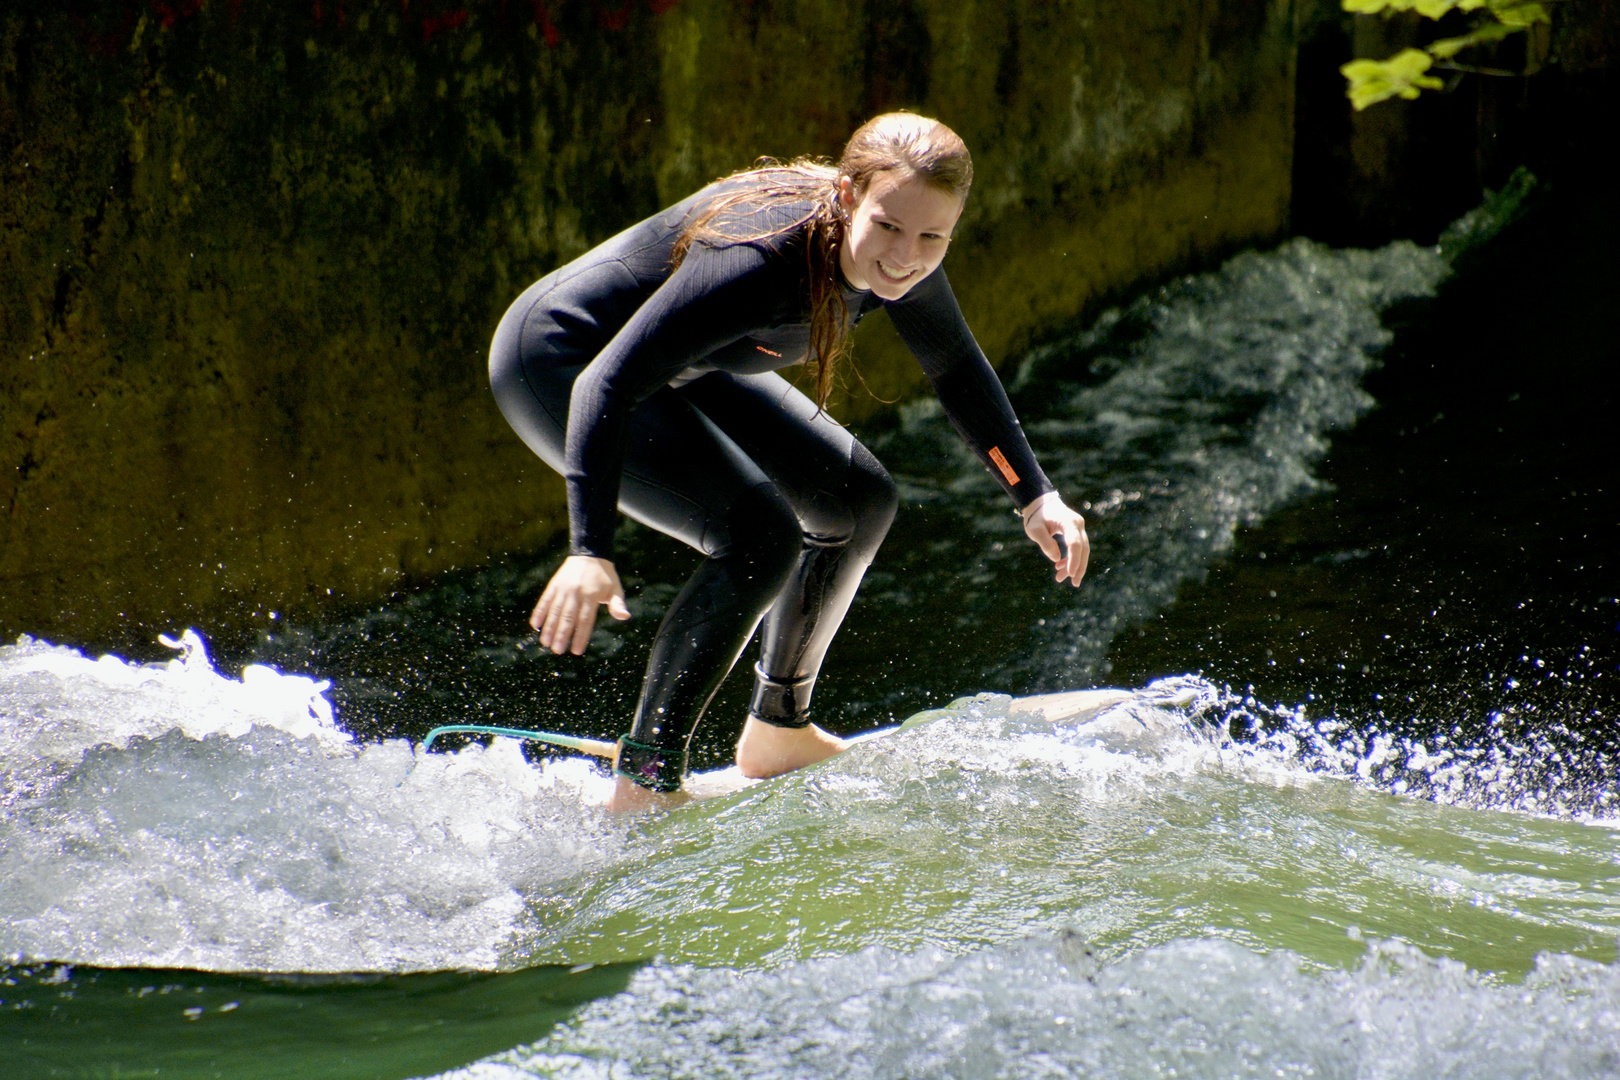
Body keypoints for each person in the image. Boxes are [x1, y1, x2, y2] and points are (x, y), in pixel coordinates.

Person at [488, 113, 1089, 811]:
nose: (906, 256)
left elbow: (954, 368)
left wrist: (1034, 495)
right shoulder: (760, 261)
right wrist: (589, 549)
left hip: (685, 360)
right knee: (760, 536)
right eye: (889, 227)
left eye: (934, 237)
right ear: (848, 197)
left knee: (857, 499)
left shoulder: (905, 257)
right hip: (564, 361)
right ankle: (646, 780)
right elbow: (608, 382)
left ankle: (778, 729)